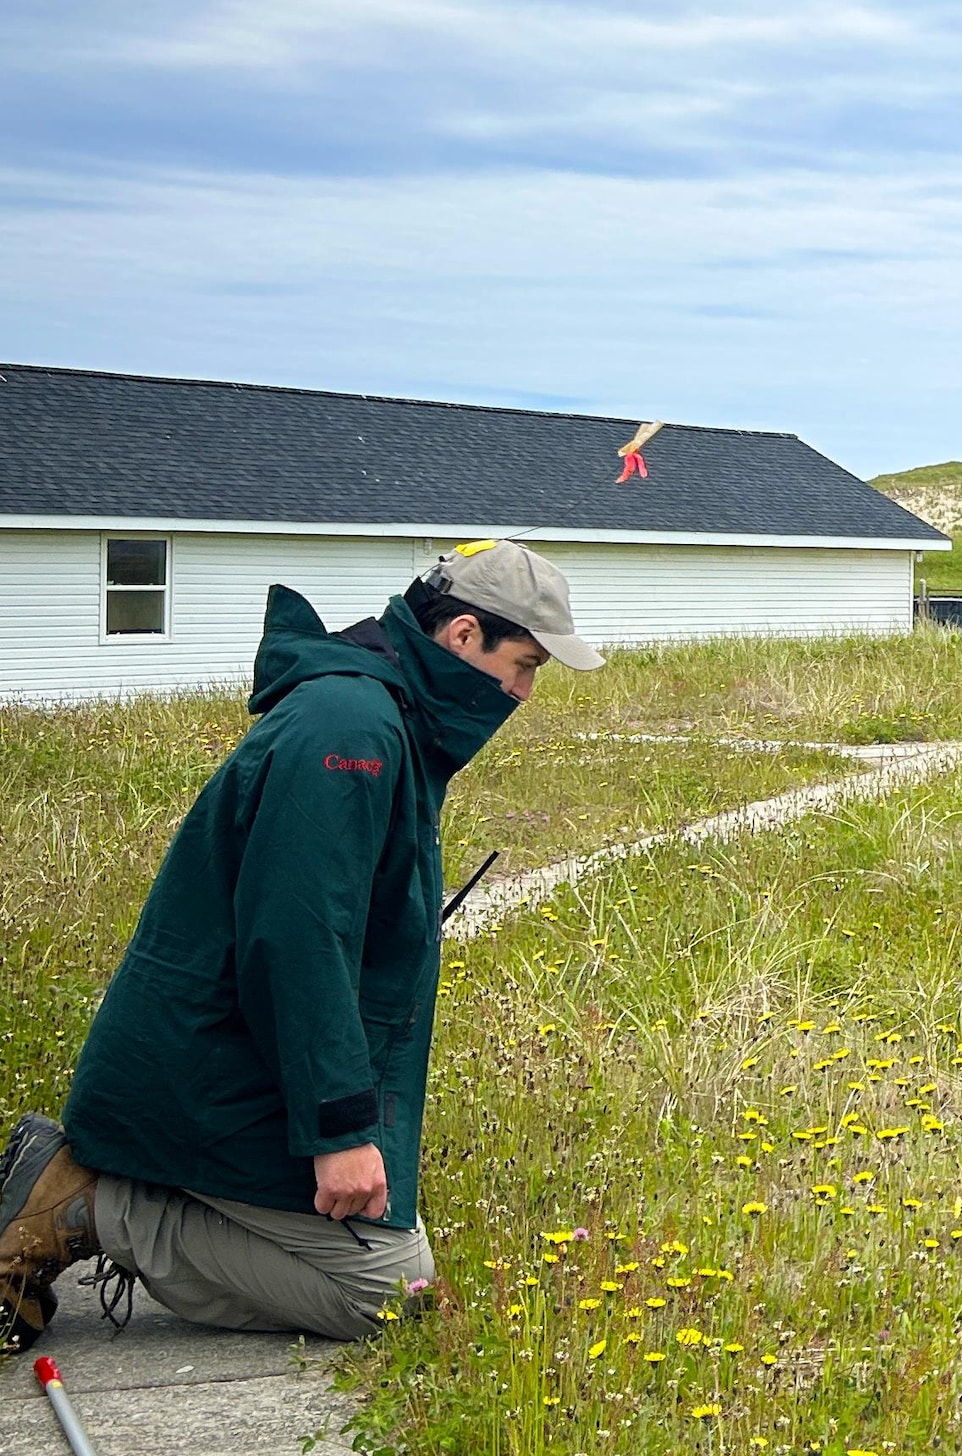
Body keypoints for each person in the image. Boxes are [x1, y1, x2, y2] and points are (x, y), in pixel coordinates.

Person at [0, 542, 603, 1352]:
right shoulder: (348, 727)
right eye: (525, 664)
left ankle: (125, 1192)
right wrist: (341, 1134)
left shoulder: (382, 716)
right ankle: (91, 1205)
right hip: (210, 1070)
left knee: (396, 1262)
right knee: (390, 1295)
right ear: (463, 636)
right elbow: (298, 940)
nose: (524, 693)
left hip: (248, 1059)